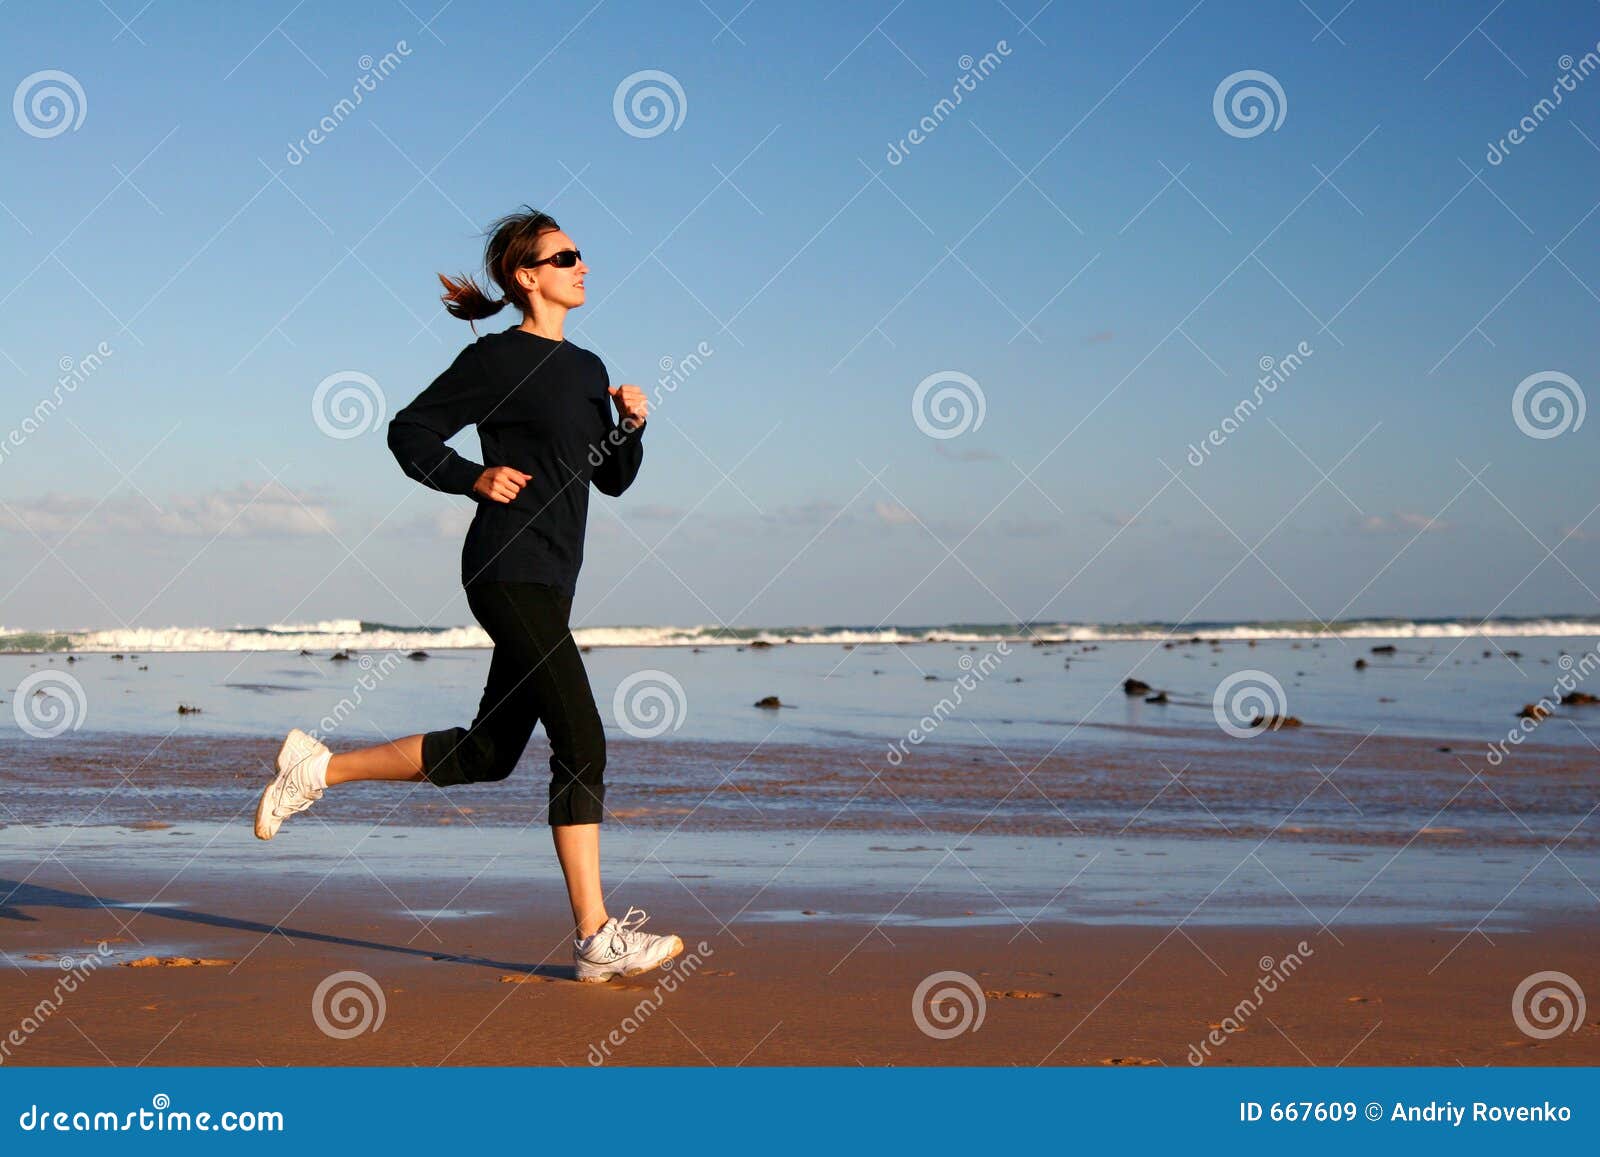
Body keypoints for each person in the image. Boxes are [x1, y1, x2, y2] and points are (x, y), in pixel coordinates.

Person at [253, 207, 681, 984]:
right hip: (505, 567)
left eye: (580, 254)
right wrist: (471, 477)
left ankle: (315, 770)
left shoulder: (588, 369)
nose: (583, 265)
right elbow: (409, 431)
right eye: (566, 257)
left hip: (553, 578)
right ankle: (595, 936)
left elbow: (612, 479)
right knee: (583, 740)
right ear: (528, 276)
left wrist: (631, 424)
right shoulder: (495, 360)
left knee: (490, 753)